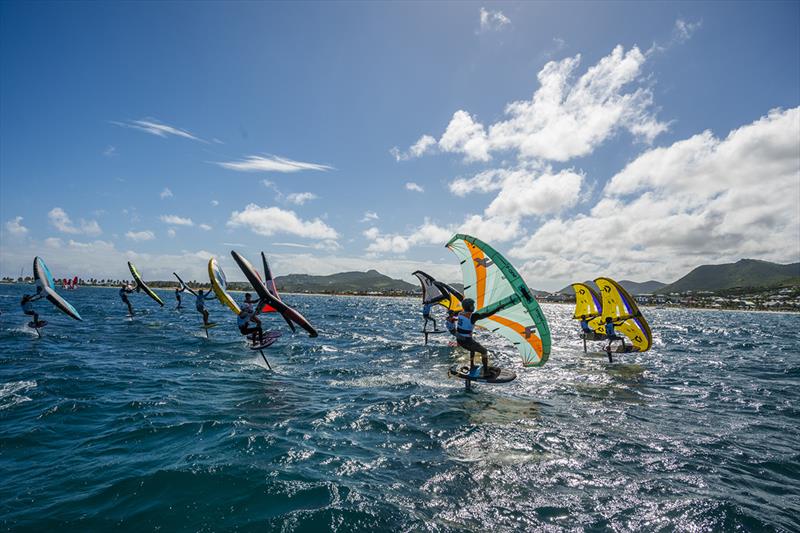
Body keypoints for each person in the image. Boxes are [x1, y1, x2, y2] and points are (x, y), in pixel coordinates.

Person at [455, 298, 493, 377]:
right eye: (472, 305)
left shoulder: (460, 313)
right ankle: (486, 372)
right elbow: (487, 314)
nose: (474, 307)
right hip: (466, 341)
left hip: (459, 339)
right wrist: (499, 308)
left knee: (472, 348)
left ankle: (472, 365)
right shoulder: (473, 316)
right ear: (469, 307)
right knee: (484, 351)